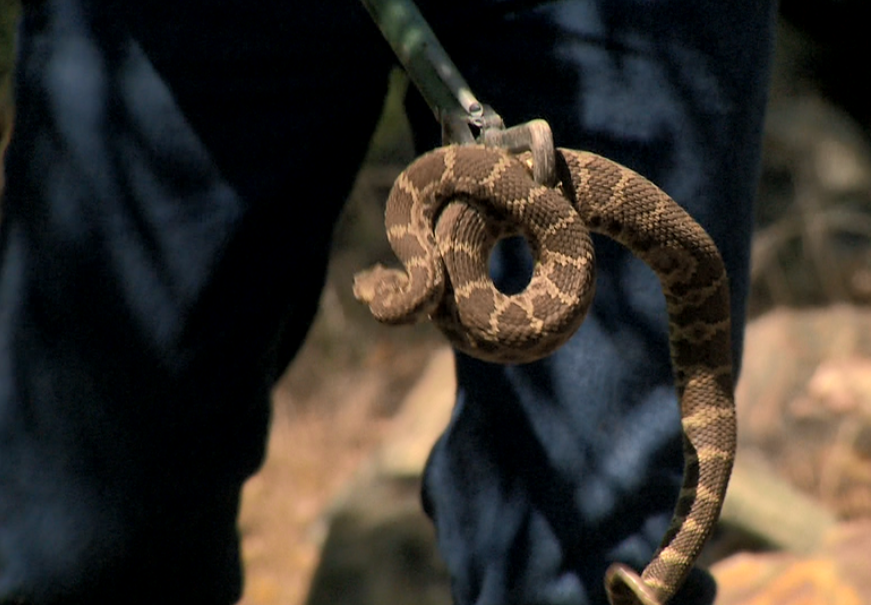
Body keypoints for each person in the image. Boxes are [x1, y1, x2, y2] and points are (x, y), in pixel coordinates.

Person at [0, 1, 775, 604]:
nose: (386, 303)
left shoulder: (431, 229)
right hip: (182, 33)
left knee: (585, 559)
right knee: (81, 537)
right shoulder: (426, 227)